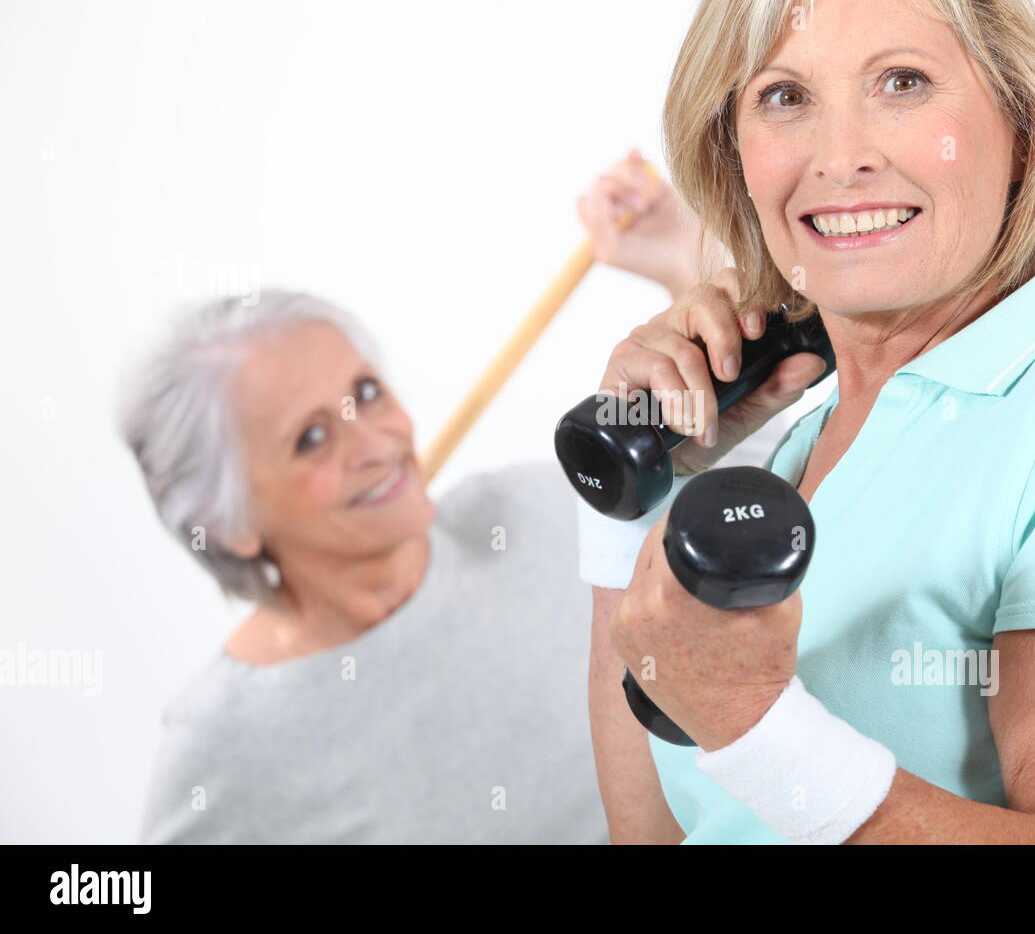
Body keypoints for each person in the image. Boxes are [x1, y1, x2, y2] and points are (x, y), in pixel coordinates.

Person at [583, 0, 1035, 845]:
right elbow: (666, 830)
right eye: (785, 96)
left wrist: (757, 727)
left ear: (1022, 127)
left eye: (903, 82)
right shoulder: (817, 436)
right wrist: (641, 489)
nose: (841, 157)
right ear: (732, 152)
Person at [119, 158, 741, 843]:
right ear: (227, 524)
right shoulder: (225, 745)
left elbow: (746, 489)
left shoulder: (526, 510)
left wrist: (685, 260)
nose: (376, 441)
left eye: (363, 393)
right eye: (312, 438)